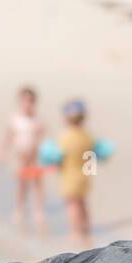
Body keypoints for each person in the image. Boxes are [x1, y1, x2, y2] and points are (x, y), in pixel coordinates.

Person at [0, 85, 46, 233]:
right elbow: (8, 136)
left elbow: (42, 138)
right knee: (22, 184)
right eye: (25, 101)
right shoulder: (15, 119)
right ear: (20, 102)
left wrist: (44, 153)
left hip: (34, 155)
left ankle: (38, 210)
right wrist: (4, 152)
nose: (28, 104)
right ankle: (19, 209)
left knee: (37, 183)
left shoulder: (37, 120)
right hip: (20, 156)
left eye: (31, 101)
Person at [56, 100, 97, 248]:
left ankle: (74, 232)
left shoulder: (66, 137)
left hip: (70, 174)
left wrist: (57, 166)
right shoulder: (88, 136)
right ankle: (86, 230)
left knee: (72, 204)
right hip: (85, 175)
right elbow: (92, 155)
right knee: (83, 202)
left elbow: (60, 157)